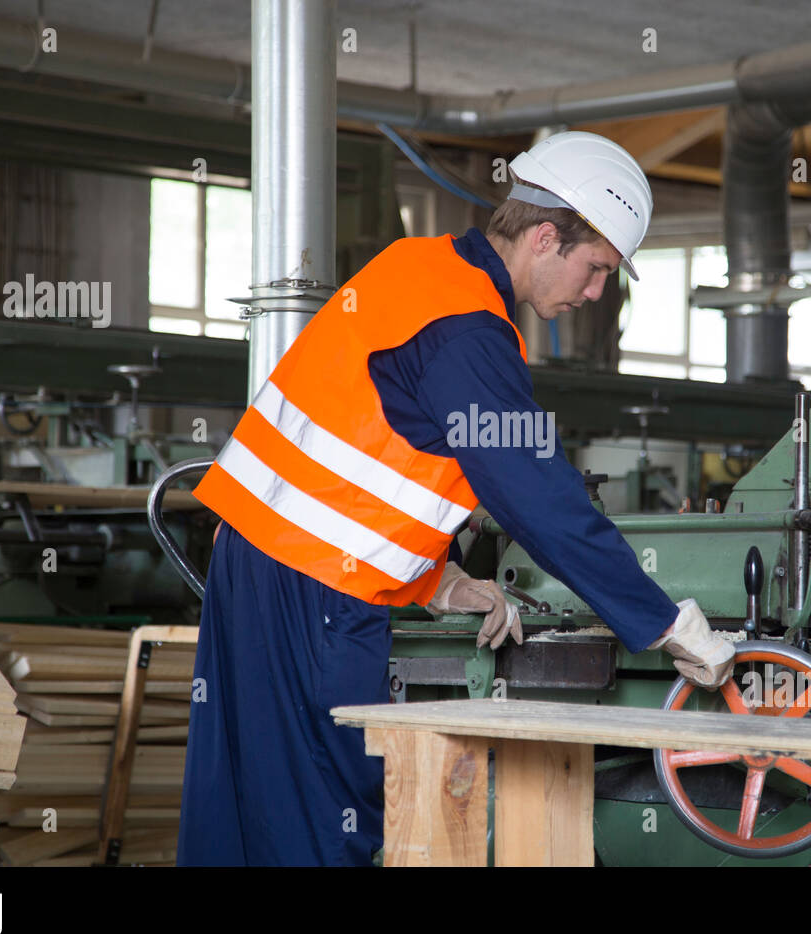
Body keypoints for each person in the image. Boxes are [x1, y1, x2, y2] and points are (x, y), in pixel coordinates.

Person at [176, 131, 736, 866]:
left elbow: (359, 453)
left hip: (255, 567)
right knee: (321, 821)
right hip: (311, 595)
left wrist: (437, 579)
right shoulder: (468, 329)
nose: (597, 292)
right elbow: (538, 494)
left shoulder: (419, 269)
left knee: (241, 815)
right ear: (545, 237)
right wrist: (664, 623)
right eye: (596, 268)